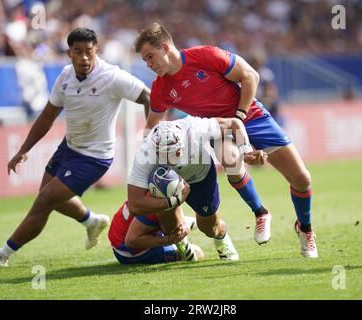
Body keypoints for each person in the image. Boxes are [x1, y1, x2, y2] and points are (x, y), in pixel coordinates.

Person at [134, 23, 318, 258]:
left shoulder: (205, 55)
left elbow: (250, 75)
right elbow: (152, 128)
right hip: (219, 130)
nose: (149, 64)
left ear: (166, 47)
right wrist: (145, 158)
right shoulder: (160, 89)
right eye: (145, 61)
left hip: (251, 116)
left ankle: (305, 228)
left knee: (302, 179)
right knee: (230, 159)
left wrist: (239, 117)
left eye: (150, 56)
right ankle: (260, 212)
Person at [0, 28, 151, 267]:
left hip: (94, 158)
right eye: (78, 52)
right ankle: (92, 222)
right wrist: (24, 149)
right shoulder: (65, 77)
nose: (84, 58)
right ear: (69, 53)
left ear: (96, 51)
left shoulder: (112, 77)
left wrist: (150, 135)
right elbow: (48, 116)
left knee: (43, 203)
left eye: (89, 52)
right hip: (69, 149)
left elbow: (148, 97)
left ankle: (2, 255)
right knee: (50, 199)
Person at [127, 115, 267, 261]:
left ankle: (221, 237)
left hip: (200, 176)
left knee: (208, 228)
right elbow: (134, 204)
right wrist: (172, 201)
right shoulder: (145, 151)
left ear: (182, 145)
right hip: (167, 187)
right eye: (163, 155)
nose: (168, 159)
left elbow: (234, 122)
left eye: (173, 154)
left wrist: (245, 151)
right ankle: (180, 241)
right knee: (168, 227)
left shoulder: (194, 129)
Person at [108, 200, 204, 264]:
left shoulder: (143, 193)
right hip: (132, 252)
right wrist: (168, 240)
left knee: (176, 226)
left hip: (120, 242)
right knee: (198, 251)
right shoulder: (157, 207)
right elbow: (131, 241)